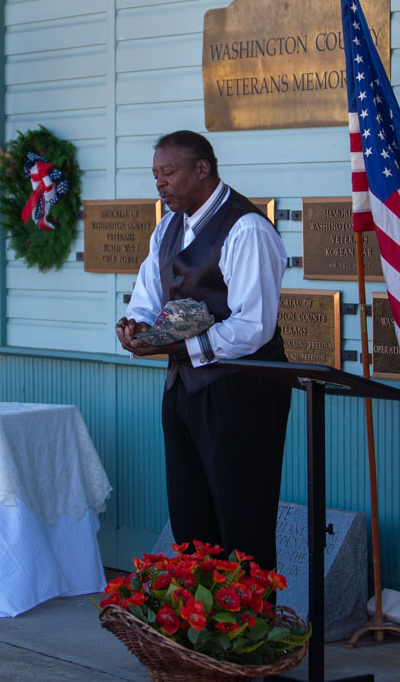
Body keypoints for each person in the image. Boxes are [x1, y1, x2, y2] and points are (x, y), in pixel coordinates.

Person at [116, 130, 291, 571]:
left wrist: (182, 344)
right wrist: (137, 329)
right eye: (155, 174)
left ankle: (252, 631)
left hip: (242, 390)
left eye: (169, 172)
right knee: (190, 515)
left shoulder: (246, 228)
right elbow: (147, 296)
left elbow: (253, 326)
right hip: (183, 386)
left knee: (243, 519)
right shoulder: (167, 227)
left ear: (202, 168)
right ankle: (201, 628)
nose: (160, 183)